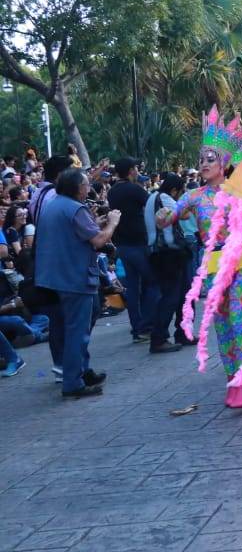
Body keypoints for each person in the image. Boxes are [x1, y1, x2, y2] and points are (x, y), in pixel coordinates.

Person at [166, 107, 242, 408]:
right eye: (201, 160)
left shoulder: (239, 192)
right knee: (221, 326)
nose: (204, 164)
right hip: (214, 266)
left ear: (224, 163)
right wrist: (162, 216)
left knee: (238, 320)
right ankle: (232, 378)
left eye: (210, 159)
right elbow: (171, 215)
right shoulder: (193, 196)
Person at [35, 169, 120, 398]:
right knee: (77, 331)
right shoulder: (75, 208)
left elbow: (77, 231)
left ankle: (82, 370)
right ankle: (73, 382)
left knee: (82, 322)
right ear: (76, 188)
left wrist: (96, 222)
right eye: (85, 184)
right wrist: (112, 222)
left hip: (58, 276)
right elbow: (98, 240)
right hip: (75, 277)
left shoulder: (54, 205)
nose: (88, 188)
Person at [107, 157, 157, 344]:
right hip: (138, 244)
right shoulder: (134, 189)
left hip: (123, 245)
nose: (137, 170)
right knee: (153, 283)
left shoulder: (112, 192)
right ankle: (145, 326)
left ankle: (137, 328)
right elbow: (151, 205)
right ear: (130, 171)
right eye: (135, 168)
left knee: (134, 288)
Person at [146, 173, 193, 354]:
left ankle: (182, 332)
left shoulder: (152, 197)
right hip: (170, 254)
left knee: (179, 295)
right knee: (172, 297)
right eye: (180, 192)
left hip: (158, 253)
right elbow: (185, 216)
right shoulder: (165, 198)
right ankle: (160, 338)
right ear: (174, 190)